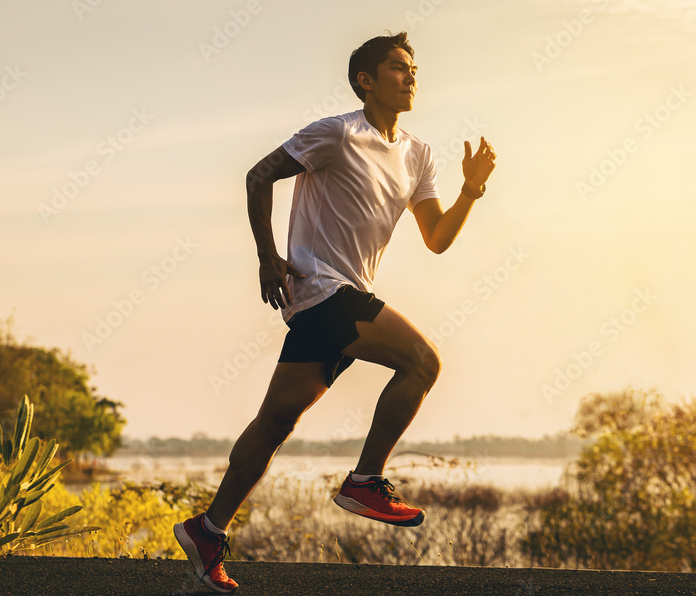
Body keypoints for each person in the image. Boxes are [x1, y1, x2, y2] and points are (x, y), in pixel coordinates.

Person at [174, 31, 497, 593]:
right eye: (398, 68)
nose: (411, 75)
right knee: (423, 361)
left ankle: (207, 529)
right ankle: (366, 480)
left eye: (414, 68)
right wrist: (267, 257)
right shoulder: (336, 133)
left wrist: (470, 191)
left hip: (341, 294)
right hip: (319, 288)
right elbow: (257, 176)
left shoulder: (418, 154)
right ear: (365, 81)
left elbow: (438, 239)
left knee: (275, 422)